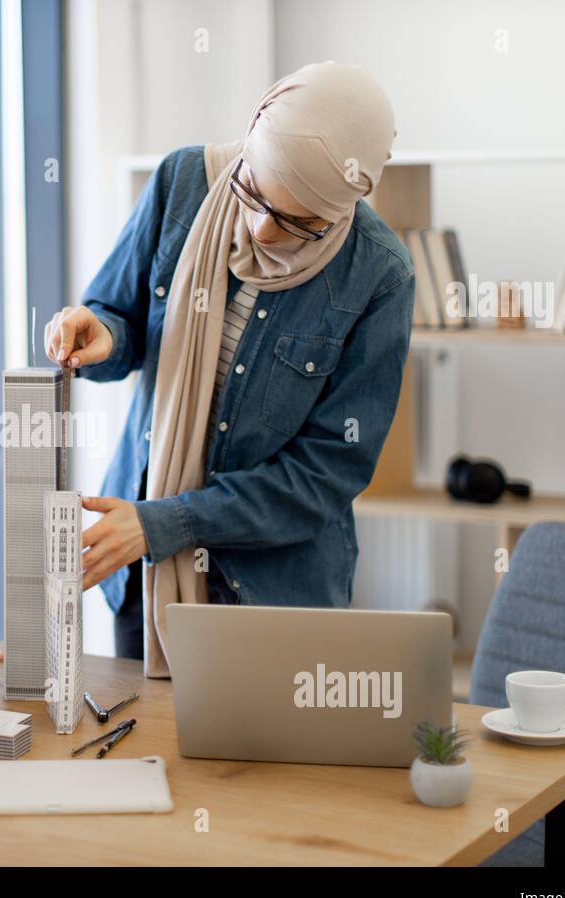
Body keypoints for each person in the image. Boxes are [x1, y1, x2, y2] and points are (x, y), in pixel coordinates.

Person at [43, 62, 415, 677]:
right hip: (144, 572)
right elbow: (119, 314)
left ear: (348, 201)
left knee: (259, 773)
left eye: (300, 222)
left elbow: (322, 477)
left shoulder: (380, 276)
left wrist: (164, 523)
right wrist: (103, 336)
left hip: (269, 594)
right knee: (142, 763)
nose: (264, 228)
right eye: (254, 192)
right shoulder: (184, 182)